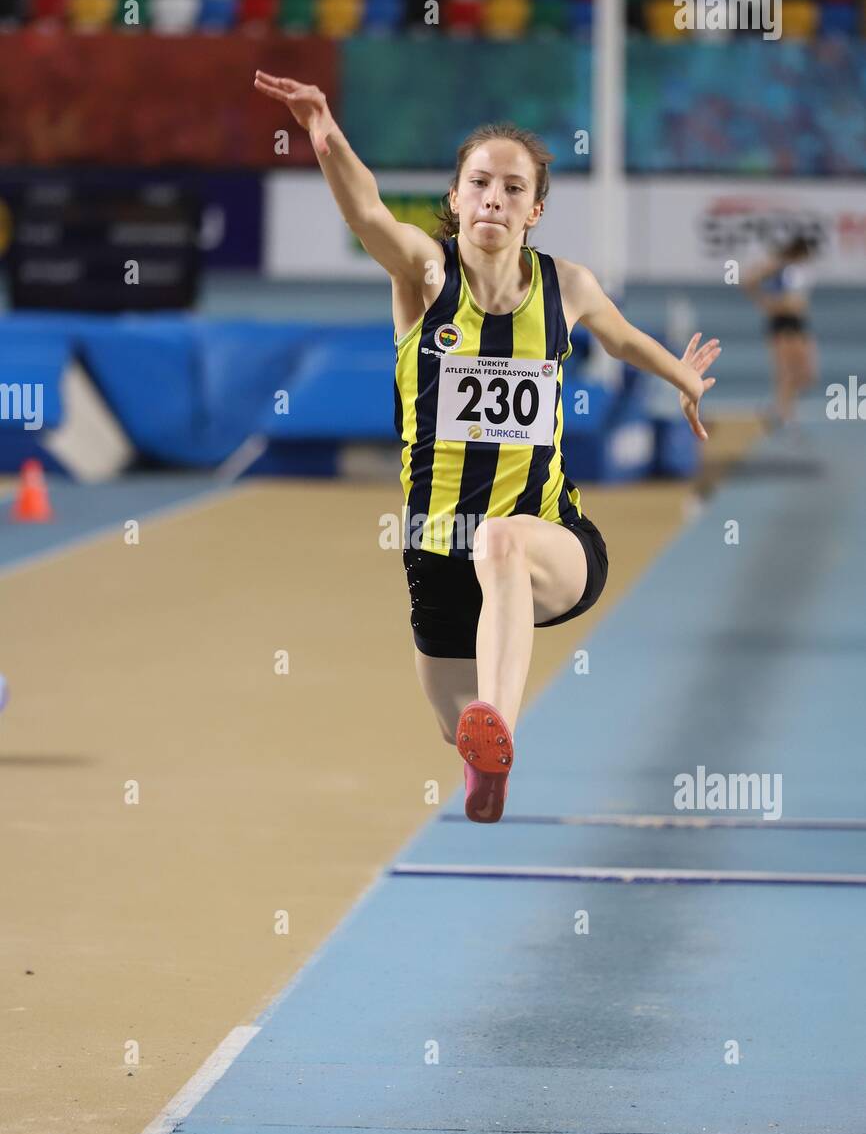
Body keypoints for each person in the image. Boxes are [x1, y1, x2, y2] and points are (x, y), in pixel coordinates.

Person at [254, 73, 720, 824]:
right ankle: (481, 752)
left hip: (550, 543)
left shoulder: (566, 286)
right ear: (456, 199)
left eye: (512, 187)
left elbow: (625, 338)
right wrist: (324, 134)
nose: (494, 198)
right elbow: (367, 209)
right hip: (435, 549)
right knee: (451, 721)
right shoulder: (423, 275)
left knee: (500, 543)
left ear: (535, 209)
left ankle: (498, 729)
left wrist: (682, 378)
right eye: (479, 183)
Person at [742, 235, 818, 430]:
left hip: (799, 322)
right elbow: (748, 280)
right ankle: (786, 416)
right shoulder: (778, 266)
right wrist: (765, 302)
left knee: (807, 375)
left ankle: (773, 410)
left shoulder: (799, 269)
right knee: (785, 372)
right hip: (781, 321)